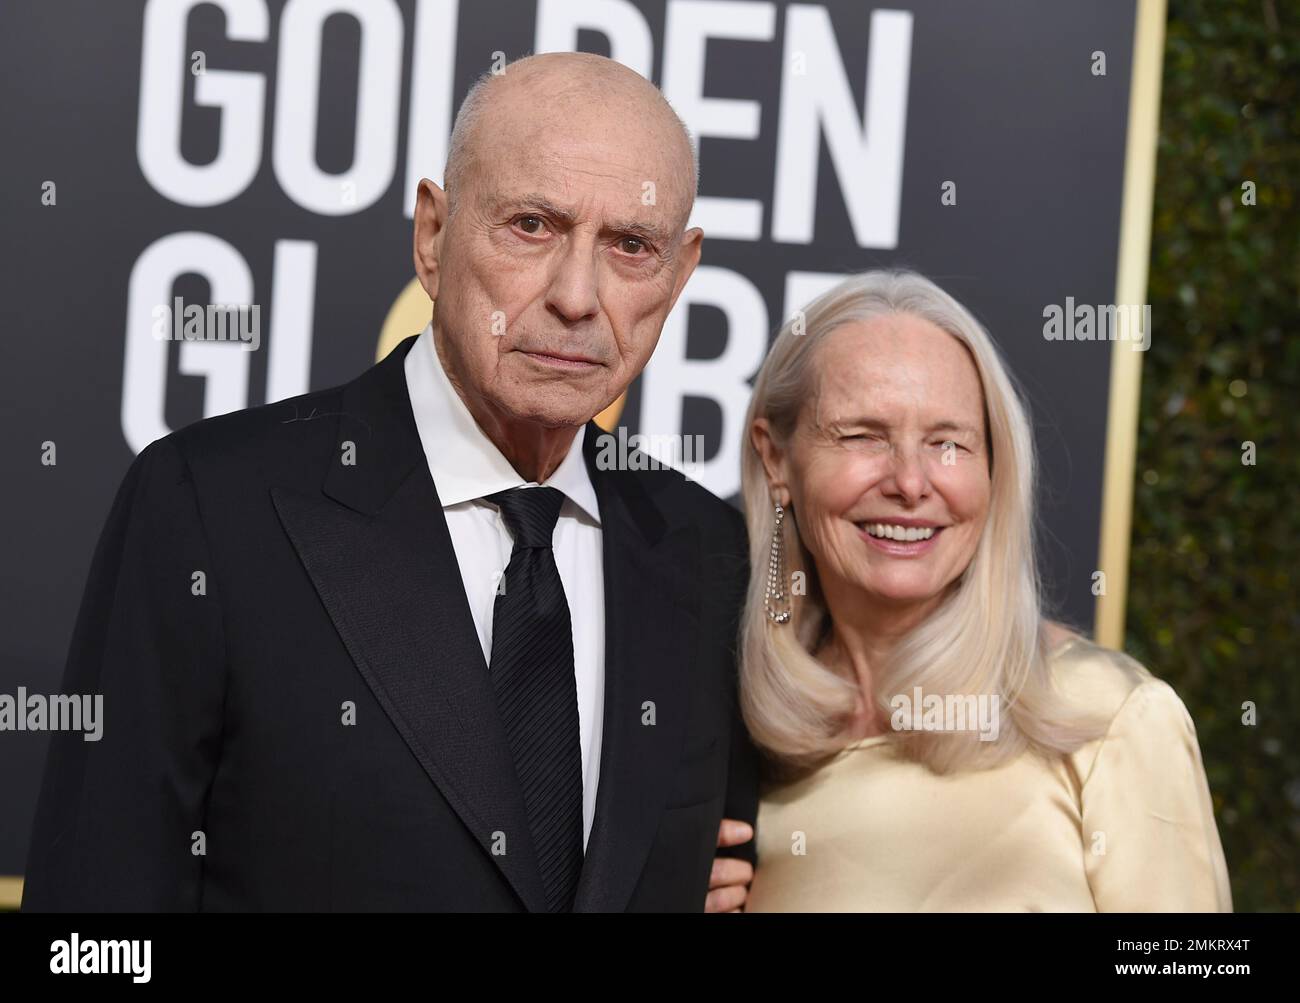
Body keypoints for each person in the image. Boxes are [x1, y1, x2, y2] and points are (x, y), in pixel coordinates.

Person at [23, 51, 758, 912]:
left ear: (678, 273)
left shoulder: (710, 556)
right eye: (532, 225)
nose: (575, 296)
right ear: (433, 236)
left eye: (631, 246)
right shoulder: (209, 509)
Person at [736, 269, 1231, 911]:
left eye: (949, 443)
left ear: (995, 468)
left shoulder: (1105, 715)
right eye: (863, 435)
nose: (911, 482)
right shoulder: (732, 747)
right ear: (776, 459)